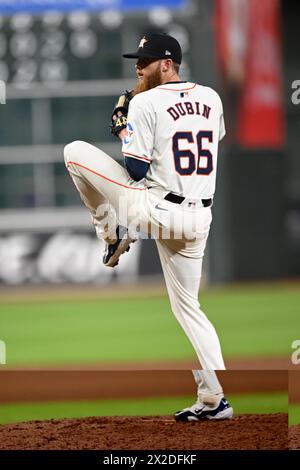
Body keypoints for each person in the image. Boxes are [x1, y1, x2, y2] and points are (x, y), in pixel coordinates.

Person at [64, 32, 233, 421]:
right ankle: (214, 398)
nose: (138, 67)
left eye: (146, 60)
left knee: (73, 152)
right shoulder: (212, 97)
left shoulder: (145, 101)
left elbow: (137, 169)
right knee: (190, 309)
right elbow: (211, 141)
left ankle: (110, 235)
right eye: (137, 60)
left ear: (168, 63)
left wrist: (123, 129)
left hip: (155, 211)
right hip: (199, 217)